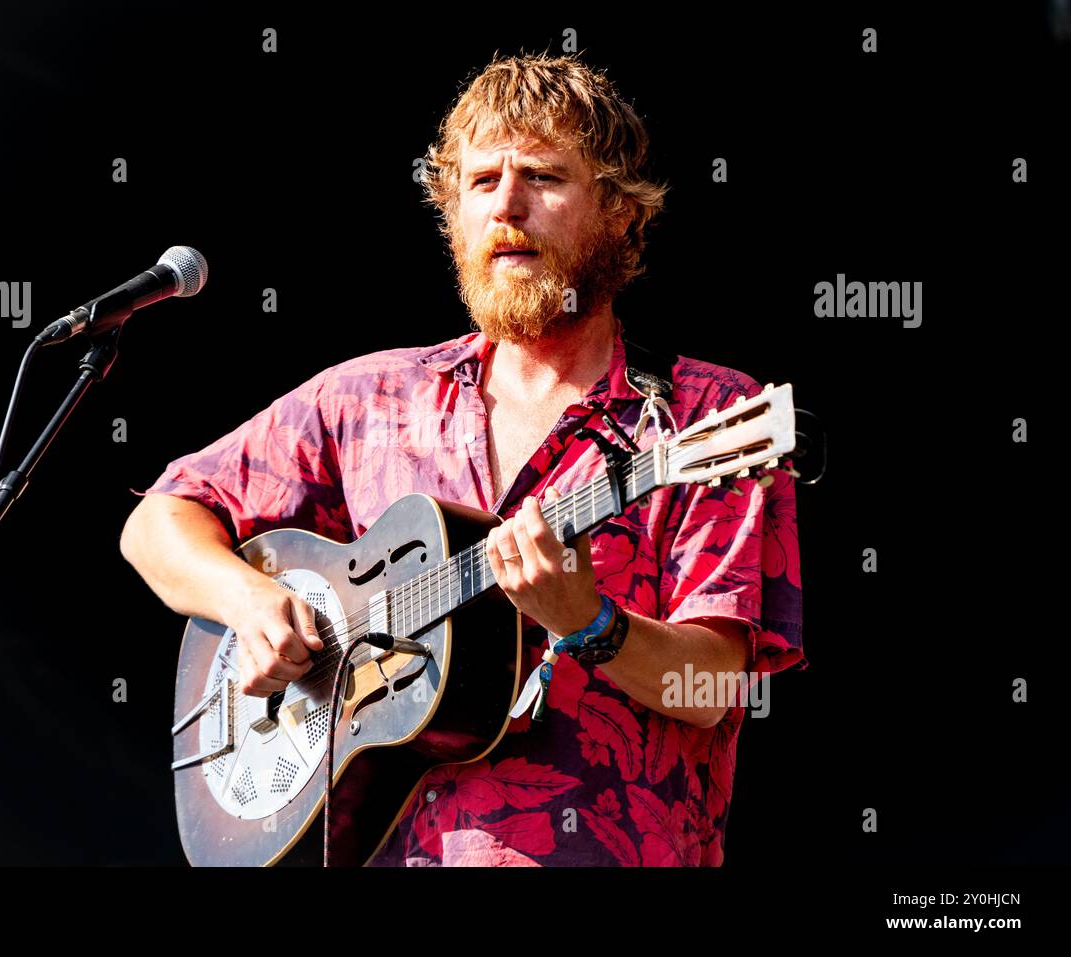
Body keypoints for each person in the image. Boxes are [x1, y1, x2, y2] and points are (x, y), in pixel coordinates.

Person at [120, 52, 805, 866]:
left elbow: (714, 687)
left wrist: (591, 623)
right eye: (480, 183)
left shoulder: (706, 414)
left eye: (544, 177)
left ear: (622, 213)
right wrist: (250, 602)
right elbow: (157, 522)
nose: (507, 206)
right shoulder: (367, 399)